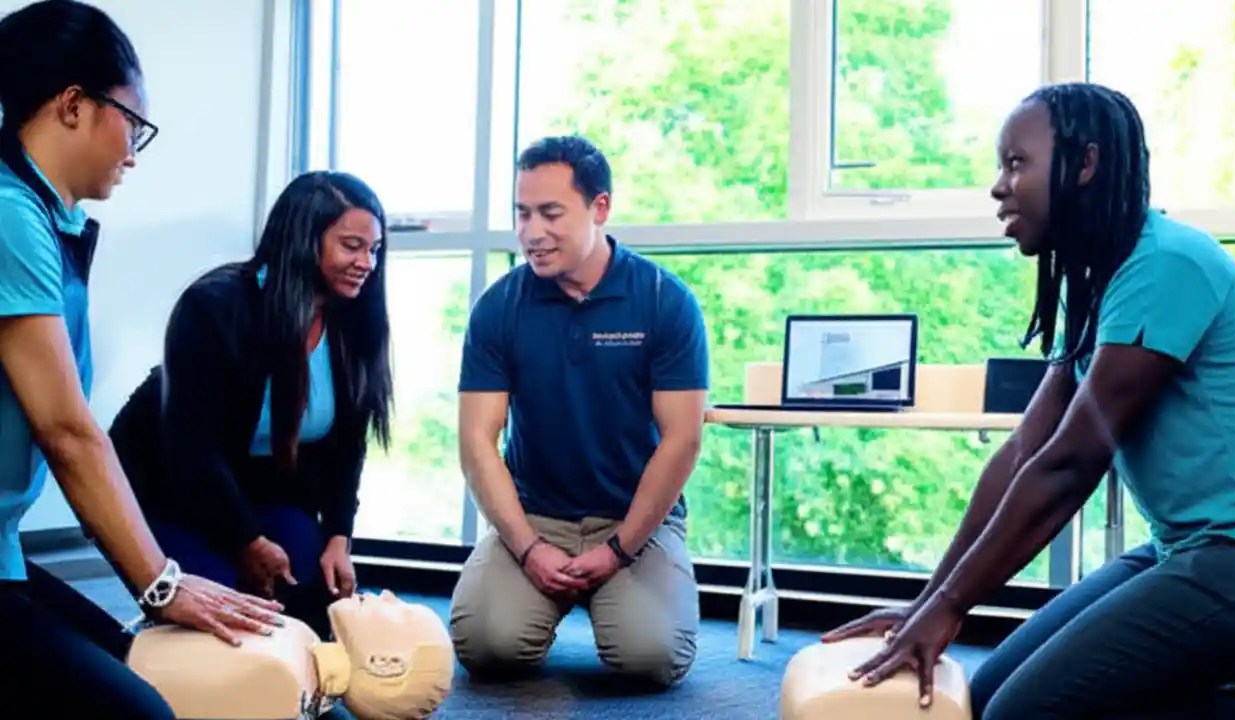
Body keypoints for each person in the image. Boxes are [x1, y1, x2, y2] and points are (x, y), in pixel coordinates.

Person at [821, 81, 1235, 719]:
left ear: (1084, 164)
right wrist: (929, 601)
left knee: (1021, 715)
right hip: (1185, 547)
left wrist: (951, 606)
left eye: (1016, 163)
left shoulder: (1169, 263)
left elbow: (1070, 464)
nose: (998, 187)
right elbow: (1023, 453)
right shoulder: (1101, 285)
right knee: (984, 697)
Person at [0, 1, 284, 717]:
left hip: (4, 548)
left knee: (133, 660)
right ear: (73, 105)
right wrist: (161, 582)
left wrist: (161, 583)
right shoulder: (9, 215)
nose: (133, 152)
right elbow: (67, 433)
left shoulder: (43, 217)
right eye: (133, 124)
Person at [449, 135, 708, 688]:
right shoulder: (498, 308)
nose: (531, 232)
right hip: (535, 516)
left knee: (651, 657)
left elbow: (682, 440)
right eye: (522, 213)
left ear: (600, 207)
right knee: (486, 646)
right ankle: (537, 591)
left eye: (550, 213)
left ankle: (619, 593)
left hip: (633, 517)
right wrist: (527, 547)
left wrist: (619, 550)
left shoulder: (665, 300)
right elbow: (476, 443)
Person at [108, 170, 393, 639]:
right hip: (167, 490)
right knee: (225, 622)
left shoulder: (353, 318)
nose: (367, 263)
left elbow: (347, 448)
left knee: (311, 608)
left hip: (258, 490)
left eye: (375, 249)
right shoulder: (214, 306)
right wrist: (247, 542)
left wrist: (339, 537)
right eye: (351, 246)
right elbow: (193, 452)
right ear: (303, 239)